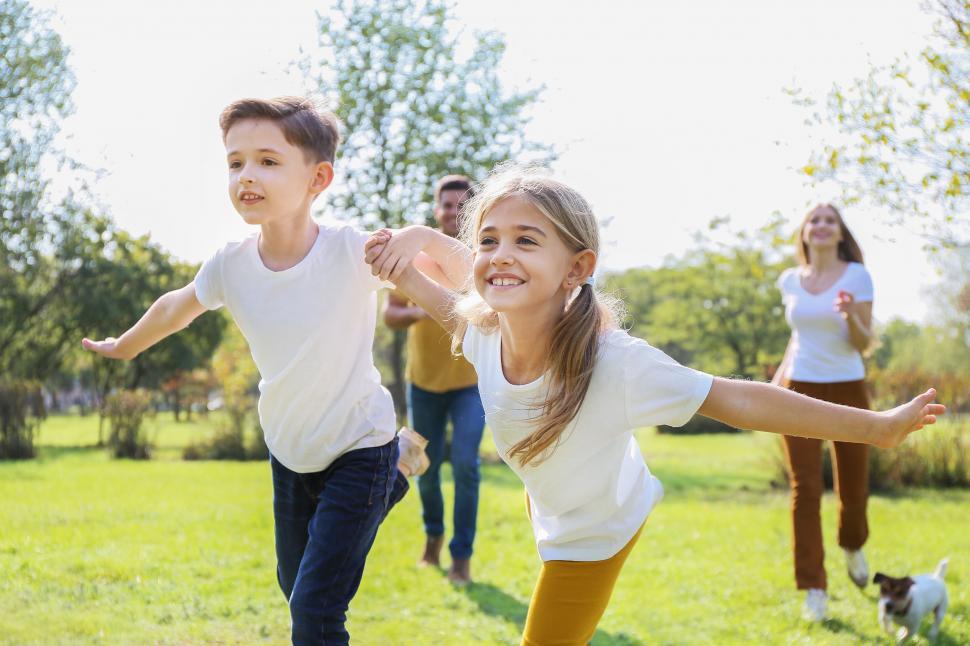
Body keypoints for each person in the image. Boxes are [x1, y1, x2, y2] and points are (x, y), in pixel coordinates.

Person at [364, 165, 944, 645]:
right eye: (488, 239)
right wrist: (411, 244)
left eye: (526, 240)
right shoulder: (487, 328)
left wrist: (877, 427)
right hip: (559, 495)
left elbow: (741, 399)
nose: (501, 255)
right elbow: (452, 289)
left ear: (578, 269)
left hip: (595, 532)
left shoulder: (619, 365)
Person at [81, 97, 425, 646]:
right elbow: (177, 305)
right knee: (295, 588)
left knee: (314, 613)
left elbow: (443, 279)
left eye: (267, 161)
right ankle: (401, 475)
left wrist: (427, 241)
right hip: (290, 451)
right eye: (235, 162)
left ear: (318, 178)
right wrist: (126, 345)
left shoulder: (351, 250)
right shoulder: (230, 263)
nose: (247, 175)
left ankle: (391, 468)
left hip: (361, 445)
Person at [771, 203, 876, 622]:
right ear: (805, 231)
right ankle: (813, 586)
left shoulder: (856, 276)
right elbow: (797, 339)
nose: (821, 225)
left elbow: (864, 343)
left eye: (829, 220)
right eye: (814, 219)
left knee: (853, 485)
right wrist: (775, 385)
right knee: (805, 489)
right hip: (799, 388)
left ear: (839, 233)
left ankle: (852, 543)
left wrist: (851, 315)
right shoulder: (789, 281)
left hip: (848, 387)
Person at [383, 175, 486, 585]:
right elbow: (391, 315)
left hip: (471, 384)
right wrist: (426, 310)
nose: (453, 212)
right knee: (419, 464)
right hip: (422, 381)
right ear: (435, 208)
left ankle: (461, 556)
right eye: (446, 205)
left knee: (465, 463)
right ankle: (432, 539)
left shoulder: (483, 258)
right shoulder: (413, 257)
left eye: (462, 206)